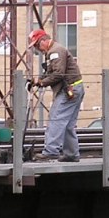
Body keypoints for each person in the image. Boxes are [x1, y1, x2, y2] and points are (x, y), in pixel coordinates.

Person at [27, 28, 84, 161]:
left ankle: (51, 150)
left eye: (36, 45)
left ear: (44, 41)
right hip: (74, 89)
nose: (37, 48)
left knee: (56, 119)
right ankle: (71, 154)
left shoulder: (55, 51)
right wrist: (38, 81)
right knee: (68, 124)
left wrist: (41, 83)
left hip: (68, 90)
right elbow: (52, 72)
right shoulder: (53, 51)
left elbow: (58, 74)